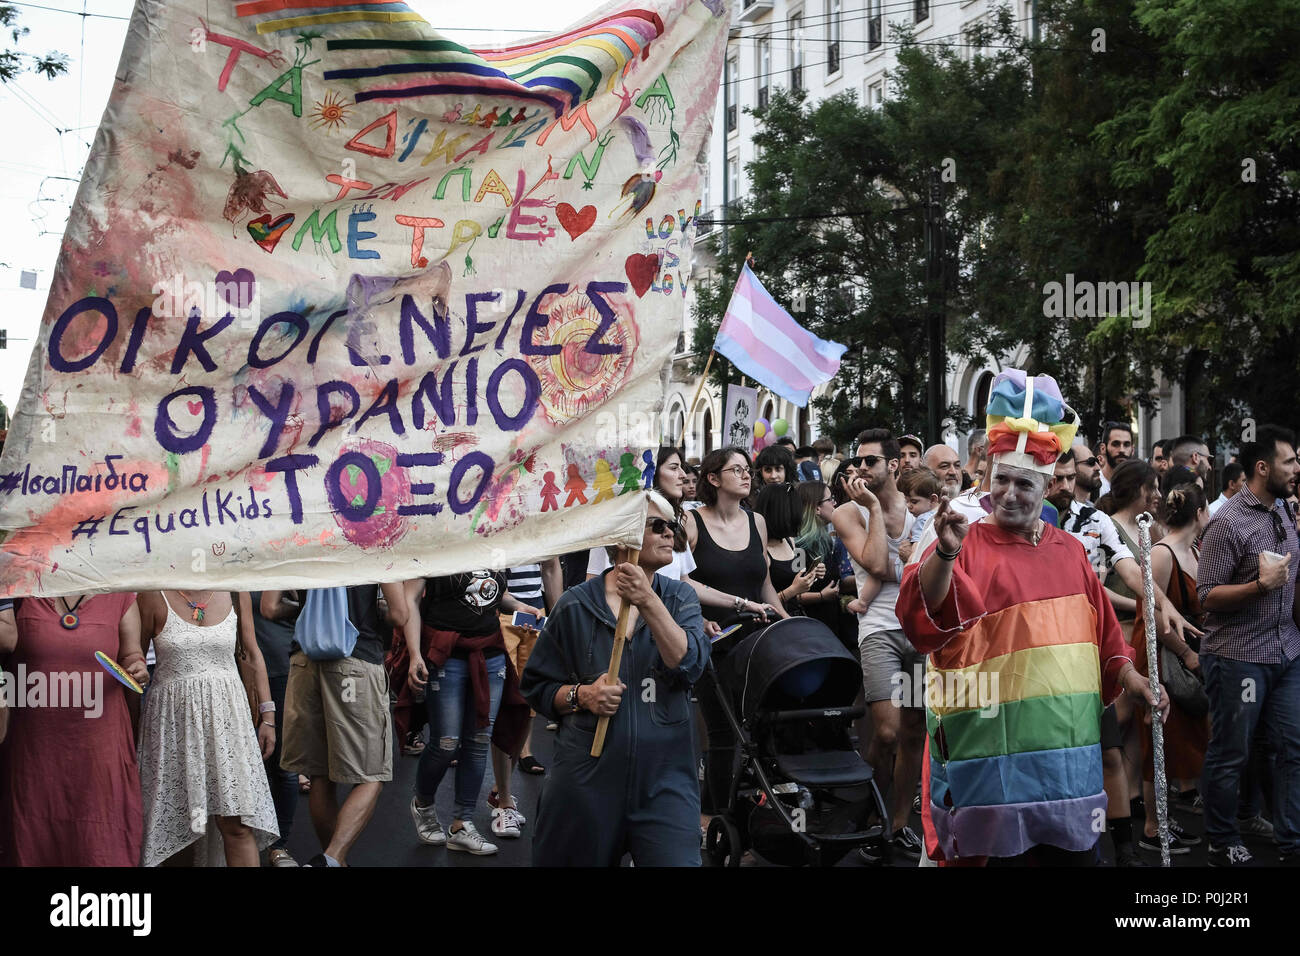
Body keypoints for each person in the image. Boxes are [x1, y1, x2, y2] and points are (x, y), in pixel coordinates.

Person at [896, 369, 1166, 866]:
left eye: (1024, 483)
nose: (1010, 493)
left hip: (1066, 766)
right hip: (992, 766)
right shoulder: (963, 541)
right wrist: (946, 554)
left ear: (1046, 488)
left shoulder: (1070, 551)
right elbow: (924, 616)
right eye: (1001, 480)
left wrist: (1133, 678)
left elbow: (1104, 636)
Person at [520, 490, 708, 866]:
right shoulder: (574, 605)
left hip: (665, 781)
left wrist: (647, 600)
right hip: (585, 781)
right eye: (657, 525)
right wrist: (582, 695)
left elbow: (689, 665)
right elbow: (538, 688)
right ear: (622, 536)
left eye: (672, 525)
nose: (669, 533)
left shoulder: (679, 600)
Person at [1196, 424, 1300, 867]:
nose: (1297, 468)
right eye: (1289, 461)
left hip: (1287, 651)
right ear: (1263, 467)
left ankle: (1291, 840)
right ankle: (1222, 840)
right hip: (1239, 658)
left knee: (1291, 746)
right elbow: (1206, 596)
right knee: (1231, 752)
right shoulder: (1227, 523)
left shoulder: (1285, 510)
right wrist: (1259, 586)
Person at [262, 583, 406, 867]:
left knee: (320, 774)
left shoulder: (299, 550)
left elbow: (270, 608)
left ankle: (332, 861)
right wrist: (370, 610)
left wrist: (308, 608)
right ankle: (331, 858)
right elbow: (400, 614)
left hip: (305, 662)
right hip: (355, 660)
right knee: (372, 775)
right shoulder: (375, 552)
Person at [0, 592, 147, 866]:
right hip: (34, 752)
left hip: (99, 750)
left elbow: (131, 654)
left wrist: (136, 667)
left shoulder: (119, 592)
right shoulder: (22, 589)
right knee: (32, 843)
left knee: (99, 846)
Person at [831, 428, 922, 859]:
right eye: (858, 461)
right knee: (886, 731)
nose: (862, 468)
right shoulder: (847, 512)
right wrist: (870, 507)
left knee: (914, 731)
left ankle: (899, 822)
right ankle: (870, 810)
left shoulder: (918, 507)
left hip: (920, 628)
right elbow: (876, 564)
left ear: (894, 464)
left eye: (871, 461)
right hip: (879, 629)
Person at [136, 590, 279, 867]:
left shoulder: (235, 592)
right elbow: (134, 659)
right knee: (180, 825)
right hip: (173, 724)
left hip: (229, 721)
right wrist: (129, 729)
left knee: (237, 822)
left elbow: (251, 653)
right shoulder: (152, 595)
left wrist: (268, 715)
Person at [683, 447, 787, 814]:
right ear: (713, 478)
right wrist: (698, 618)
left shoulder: (757, 522)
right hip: (713, 640)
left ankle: (757, 811)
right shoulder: (691, 522)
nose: (746, 476)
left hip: (757, 640)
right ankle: (714, 816)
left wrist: (788, 622)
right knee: (722, 732)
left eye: (748, 470)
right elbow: (680, 582)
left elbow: (765, 584)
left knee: (764, 727)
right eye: (737, 470)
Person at [402, 569, 532, 856]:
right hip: (446, 652)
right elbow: (410, 599)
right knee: (446, 743)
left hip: (490, 652)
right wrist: (414, 654)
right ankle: (423, 803)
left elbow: (495, 592)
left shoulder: (493, 548)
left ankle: (462, 824)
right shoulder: (435, 548)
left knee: (479, 740)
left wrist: (518, 606)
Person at [1132, 483, 1211, 855]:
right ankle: (1152, 827)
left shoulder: (1194, 549)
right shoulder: (1161, 554)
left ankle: (1165, 818)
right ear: (1200, 513)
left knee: (1178, 740)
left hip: (1185, 656)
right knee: (1157, 741)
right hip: (1160, 658)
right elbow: (1154, 618)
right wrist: (1187, 654)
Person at [486, 558, 560, 839]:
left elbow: (551, 565)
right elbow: (492, 569)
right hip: (502, 613)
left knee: (528, 704)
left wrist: (558, 617)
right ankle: (504, 799)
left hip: (536, 614)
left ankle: (500, 792)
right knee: (507, 705)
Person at [249, 589, 302, 867]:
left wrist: (296, 604)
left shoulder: (279, 564)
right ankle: (238, 841)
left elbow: (302, 598)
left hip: (280, 666)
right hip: (235, 670)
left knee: (282, 764)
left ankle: (279, 845)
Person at [794, 480, 855, 649]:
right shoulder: (799, 547)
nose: (834, 503)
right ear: (816, 508)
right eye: (830, 499)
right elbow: (792, 595)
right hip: (809, 634)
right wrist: (821, 596)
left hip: (831, 629)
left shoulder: (826, 540)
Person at [754, 482, 826, 617]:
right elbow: (759, 603)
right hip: (774, 620)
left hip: (796, 615)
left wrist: (813, 573)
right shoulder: (760, 551)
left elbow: (799, 575)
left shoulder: (790, 541)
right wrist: (793, 590)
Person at [896, 466, 943, 570]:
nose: (908, 506)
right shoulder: (943, 514)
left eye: (914, 501)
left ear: (933, 499)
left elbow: (916, 550)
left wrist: (909, 567)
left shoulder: (923, 520)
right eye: (906, 501)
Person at [1098, 421, 1134, 497]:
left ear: (1133, 450)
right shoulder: (1093, 484)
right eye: (1115, 444)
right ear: (1103, 448)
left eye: (1126, 445)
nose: (1122, 450)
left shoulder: (1138, 485)